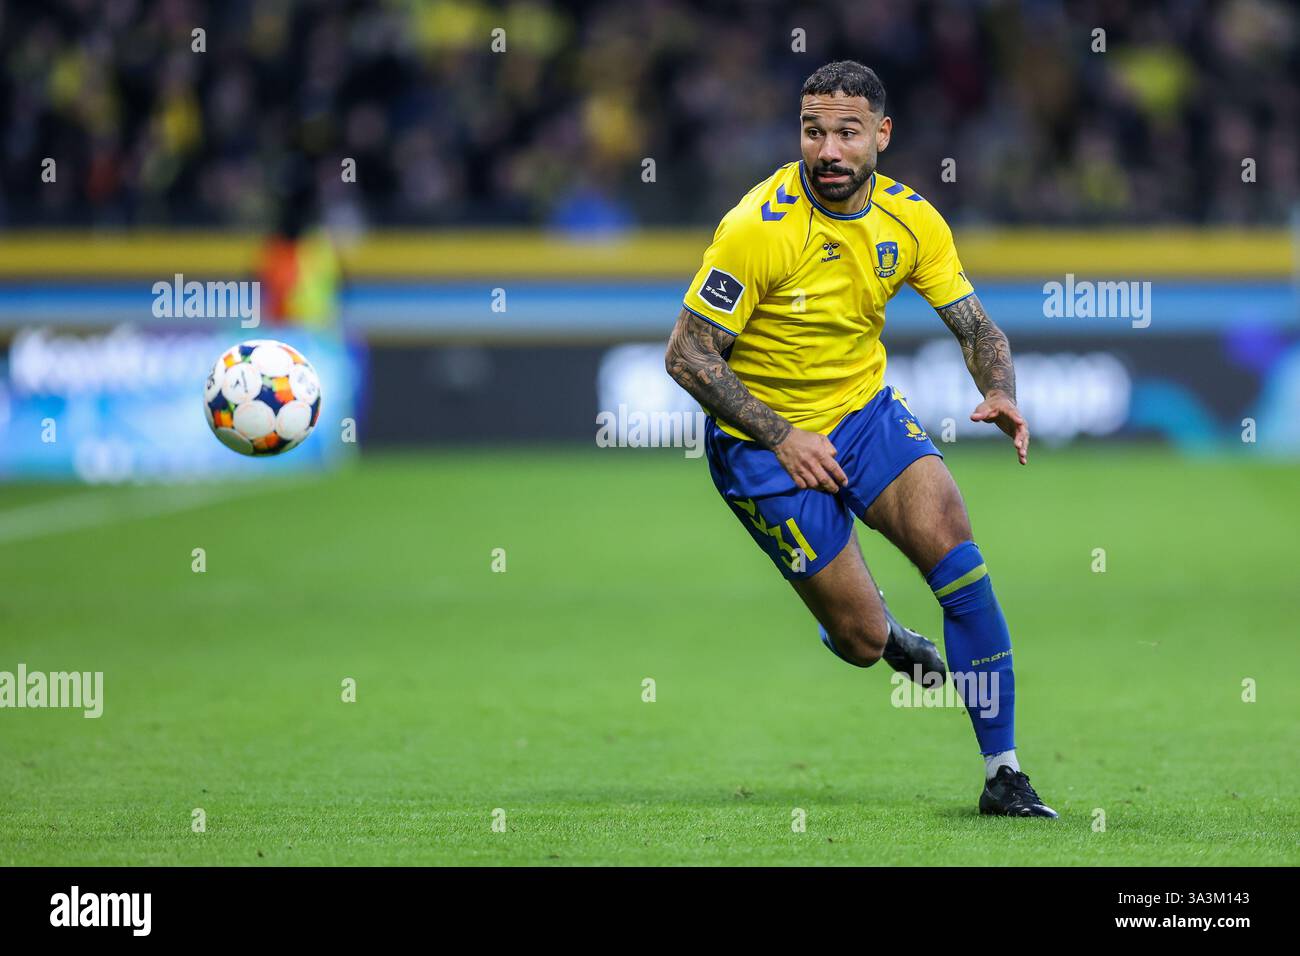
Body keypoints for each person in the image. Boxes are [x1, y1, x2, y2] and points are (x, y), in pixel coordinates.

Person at [664, 60, 1056, 817]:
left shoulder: (912, 221)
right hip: (761, 446)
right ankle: (886, 635)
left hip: (865, 414)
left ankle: (1004, 773)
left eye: (847, 132)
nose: (829, 150)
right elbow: (687, 355)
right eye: (814, 132)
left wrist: (999, 390)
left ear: (881, 135)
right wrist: (781, 437)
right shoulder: (756, 230)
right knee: (860, 640)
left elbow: (975, 326)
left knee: (957, 552)